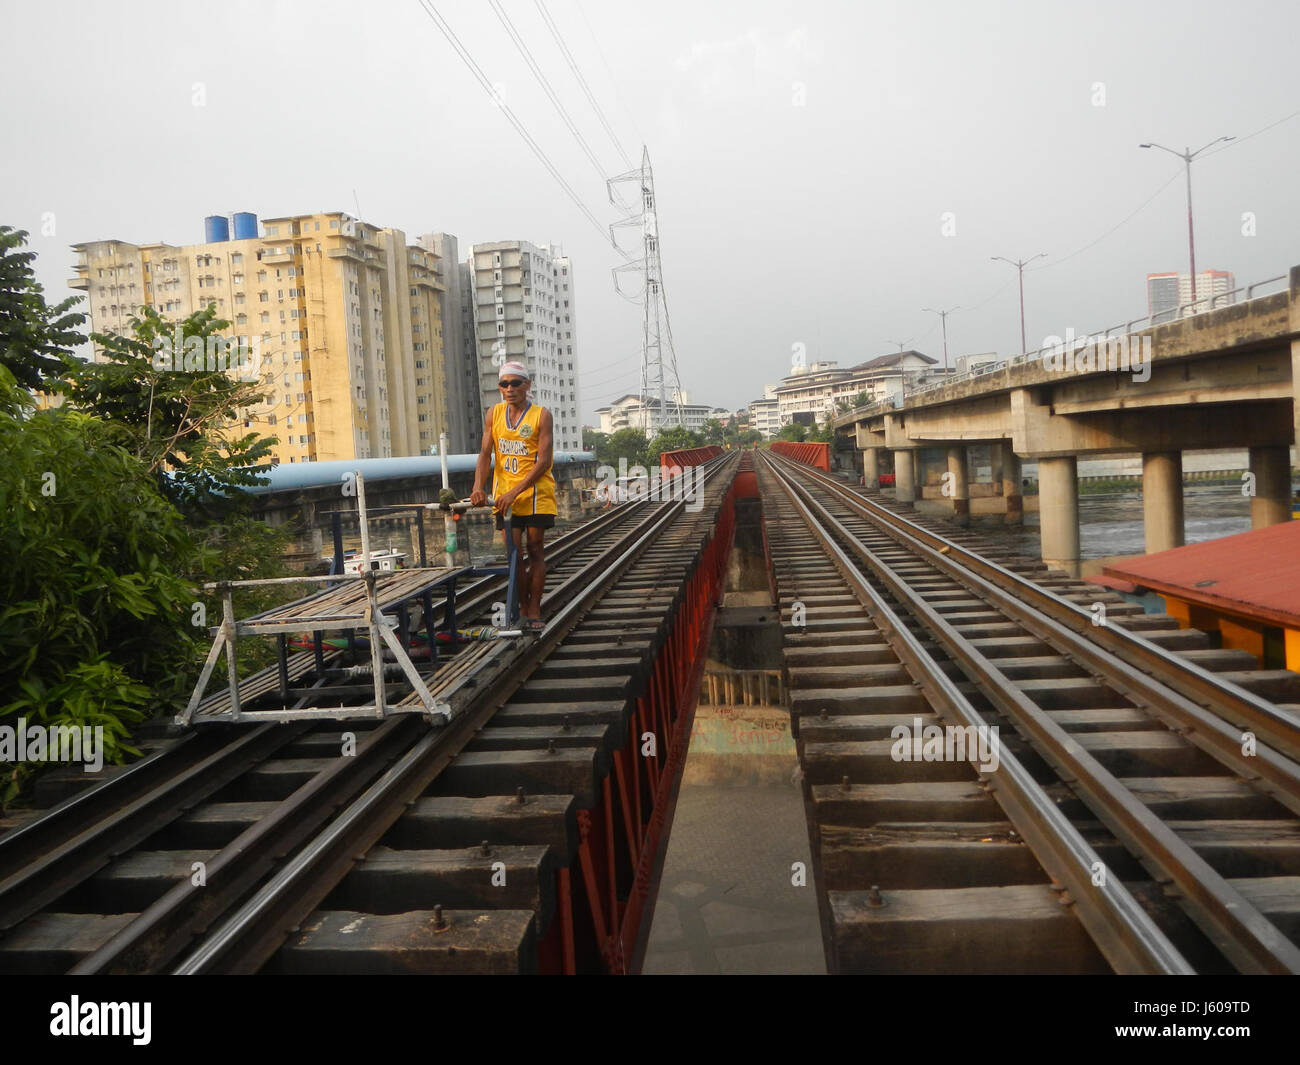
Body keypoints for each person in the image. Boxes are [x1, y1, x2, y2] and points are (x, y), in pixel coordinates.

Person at [470, 362, 556, 631]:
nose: (509, 389)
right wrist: (478, 487)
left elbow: (543, 461)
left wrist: (515, 491)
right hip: (504, 497)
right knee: (513, 553)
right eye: (504, 384)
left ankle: (534, 608)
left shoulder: (541, 416)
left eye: (515, 383)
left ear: (527, 386)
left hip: (534, 493)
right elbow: (485, 454)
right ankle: (520, 606)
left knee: (535, 549)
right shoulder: (493, 414)